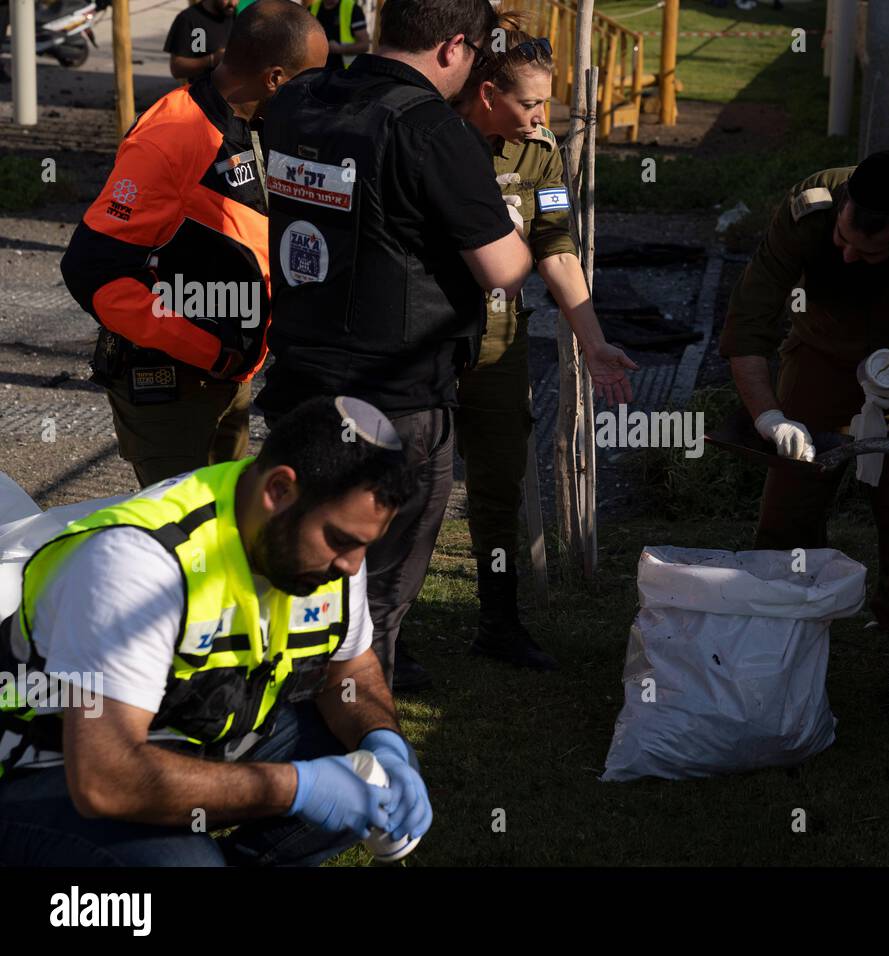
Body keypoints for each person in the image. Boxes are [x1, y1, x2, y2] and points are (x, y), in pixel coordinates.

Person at [0, 396, 433, 867]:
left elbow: (349, 668)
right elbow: (107, 778)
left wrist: (382, 742)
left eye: (364, 545)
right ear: (279, 491)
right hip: (45, 770)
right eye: (340, 541)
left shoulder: (328, 544)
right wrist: (293, 788)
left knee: (366, 769)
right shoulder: (139, 563)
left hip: (185, 732)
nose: (350, 566)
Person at [257, 0, 533, 692]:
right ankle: (340, 741)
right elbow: (503, 269)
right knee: (370, 591)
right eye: (473, 55)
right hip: (395, 400)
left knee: (289, 563)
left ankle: (265, 710)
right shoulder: (434, 132)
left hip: (297, 381)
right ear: (455, 47)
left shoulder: (298, 99)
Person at [719, 151, 889, 688]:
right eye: (842, 241)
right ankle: (779, 629)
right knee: (790, 503)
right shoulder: (810, 210)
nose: (848, 255)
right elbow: (749, 322)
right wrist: (768, 417)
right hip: (818, 358)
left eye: (868, 251)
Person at [61, 2, 327, 490]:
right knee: (176, 545)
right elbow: (92, 269)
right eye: (310, 79)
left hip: (227, 375)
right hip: (171, 384)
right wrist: (208, 347)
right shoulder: (175, 135)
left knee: (223, 528)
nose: (317, 93)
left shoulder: (252, 124)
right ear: (274, 78)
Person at [452, 14, 636, 670]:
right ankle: (381, 638)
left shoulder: (542, 150)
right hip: (428, 338)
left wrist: (592, 339)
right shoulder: (436, 139)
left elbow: (555, 244)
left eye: (546, 104)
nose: (539, 117)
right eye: (528, 103)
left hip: (499, 340)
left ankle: (498, 622)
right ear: (486, 95)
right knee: (406, 484)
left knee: (498, 482)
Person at [165, 0, 239, 82]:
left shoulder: (235, 15)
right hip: (204, 92)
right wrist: (212, 60)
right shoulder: (189, 19)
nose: (233, 3)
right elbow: (177, 69)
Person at [308, 0, 371, 70]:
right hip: (317, 71)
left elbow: (365, 45)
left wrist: (340, 49)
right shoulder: (311, 9)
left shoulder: (352, 8)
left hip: (345, 73)